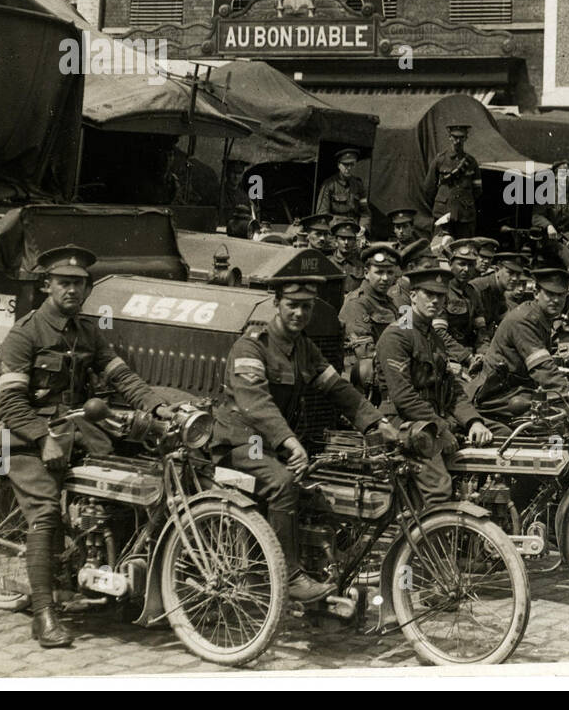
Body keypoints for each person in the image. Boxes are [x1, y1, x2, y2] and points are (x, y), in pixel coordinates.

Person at [0, 245, 178, 647]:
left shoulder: (87, 332)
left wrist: (156, 405)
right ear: (47, 285)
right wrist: (43, 438)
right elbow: (9, 404)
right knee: (45, 513)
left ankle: (117, 579)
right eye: (64, 283)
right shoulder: (24, 334)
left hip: (80, 431)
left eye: (79, 284)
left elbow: (122, 377)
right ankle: (44, 613)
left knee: (131, 485)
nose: (72, 291)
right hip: (29, 438)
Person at [214, 276, 381, 603]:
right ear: (276, 304)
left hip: (275, 444)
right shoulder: (251, 345)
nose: (300, 313)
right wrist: (289, 442)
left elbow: (338, 390)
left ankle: (324, 570)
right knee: (282, 483)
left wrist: (375, 422)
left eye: (306, 307)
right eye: (292, 305)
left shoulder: (304, 348)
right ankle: (288, 576)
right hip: (241, 441)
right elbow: (255, 404)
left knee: (327, 491)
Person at [373, 267, 501, 506]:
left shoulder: (435, 337)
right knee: (439, 489)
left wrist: (473, 421)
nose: (434, 300)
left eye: (440, 296)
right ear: (412, 296)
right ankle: (433, 536)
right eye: (427, 294)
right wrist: (442, 429)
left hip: (433, 418)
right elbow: (404, 398)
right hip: (403, 422)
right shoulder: (397, 335)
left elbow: (452, 390)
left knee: (503, 437)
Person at [474, 267, 569, 421]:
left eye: (561, 295)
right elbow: (543, 368)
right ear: (536, 293)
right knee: (553, 422)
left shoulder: (540, 316)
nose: (556, 300)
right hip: (494, 395)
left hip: (515, 389)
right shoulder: (524, 320)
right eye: (550, 294)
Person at [339, 242, 405, 390]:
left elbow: (409, 336)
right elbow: (365, 352)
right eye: (379, 272)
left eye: (390, 272)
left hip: (391, 368)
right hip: (361, 377)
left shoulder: (393, 302)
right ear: (366, 273)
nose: (385, 278)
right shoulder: (356, 303)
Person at [437, 240, 490, 367]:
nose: (466, 269)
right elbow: (439, 333)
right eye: (461, 264)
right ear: (450, 264)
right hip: (447, 356)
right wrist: (466, 357)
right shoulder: (441, 292)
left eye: (471, 265)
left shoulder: (473, 293)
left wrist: (482, 352)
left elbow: (481, 330)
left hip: (472, 355)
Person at [422, 124, 481, 238]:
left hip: (464, 215)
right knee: (440, 247)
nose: (458, 141)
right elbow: (428, 189)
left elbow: (477, 191)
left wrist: (464, 203)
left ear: (466, 138)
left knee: (464, 249)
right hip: (443, 213)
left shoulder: (471, 162)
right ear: (449, 137)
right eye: (454, 137)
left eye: (461, 137)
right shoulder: (440, 160)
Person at [472, 251, 529, 334]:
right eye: (510, 273)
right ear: (497, 270)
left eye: (518, 274)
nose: (514, 278)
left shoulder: (499, 293)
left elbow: (506, 321)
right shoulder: (479, 288)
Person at [315, 148, 368, 228]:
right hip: (335, 227)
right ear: (338, 165)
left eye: (352, 164)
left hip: (354, 228)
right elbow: (322, 214)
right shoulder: (329, 185)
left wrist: (363, 228)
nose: (349, 168)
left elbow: (365, 212)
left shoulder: (358, 185)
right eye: (345, 164)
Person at [328, 217, 364, 296]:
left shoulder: (361, 266)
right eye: (342, 238)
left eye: (350, 239)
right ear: (336, 241)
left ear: (355, 241)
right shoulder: (327, 263)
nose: (346, 242)